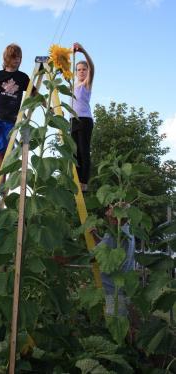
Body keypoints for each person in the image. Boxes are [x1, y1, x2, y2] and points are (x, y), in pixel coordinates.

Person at [0, 43, 33, 175]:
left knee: (11, 154)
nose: (17, 60)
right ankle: (0, 185)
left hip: (14, 121)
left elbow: (34, 93)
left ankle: (6, 188)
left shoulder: (22, 77)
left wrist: (50, 108)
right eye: (14, 57)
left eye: (19, 57)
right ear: (7, 58)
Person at [91, 204, 135, 316]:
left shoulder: (114, 234)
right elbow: (106, 248)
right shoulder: (129, 231)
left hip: (114, 288)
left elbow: (96, 255)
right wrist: (95, 236)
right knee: (124, 317)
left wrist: (68, 258)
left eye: (110, 215)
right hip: (125, 285)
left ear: (116, 218)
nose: (107, 215)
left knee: (116, 318)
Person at [71, 42, 95, 192]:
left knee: (83, 150)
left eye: (84, 69)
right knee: (74, 152)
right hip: (73, 120)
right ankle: (75, 179)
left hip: (85, 120)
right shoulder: (72, 85)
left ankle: (84, 182)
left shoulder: (87, 83)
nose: (81, 72)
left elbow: (93, 67)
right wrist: (70, 53)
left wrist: (83, 51)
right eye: (79, 70)